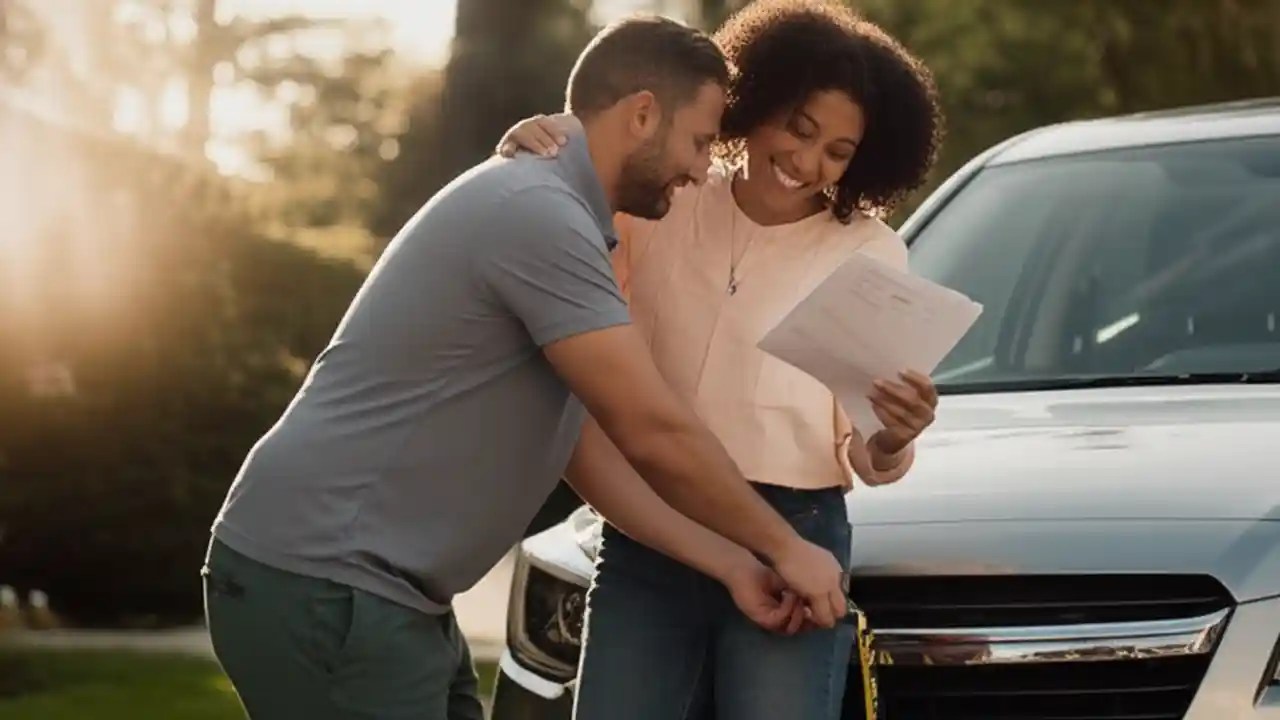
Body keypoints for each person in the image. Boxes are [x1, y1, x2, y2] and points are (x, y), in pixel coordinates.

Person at [202, 15, 853, 720]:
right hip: (329, 586)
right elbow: (651, 428)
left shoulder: (556, 213)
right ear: (641, 114)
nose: (702, 167)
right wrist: (786, 545)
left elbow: (588, 451)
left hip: (379, 595)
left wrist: (733, 565)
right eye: (699, 141)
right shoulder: (540, 217)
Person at [496, 1, 944, 718]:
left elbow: (865, 453)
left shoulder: (871, 251)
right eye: (799, 129)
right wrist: (538, 138)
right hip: (650, 529)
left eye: (838, 151)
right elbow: (573, 182)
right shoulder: (662, 195)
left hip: (796, 539)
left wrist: (894, 435)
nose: (807, 162)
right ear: (757, 103)